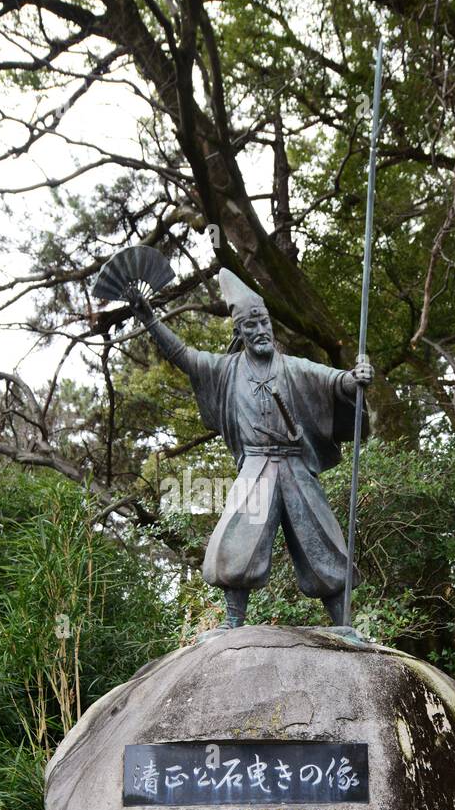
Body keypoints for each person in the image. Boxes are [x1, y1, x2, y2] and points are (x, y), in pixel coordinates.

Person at [135, 267, 373, 627]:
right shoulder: (226, 371)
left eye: (264, 323)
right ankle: (234, 621)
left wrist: (354, 379)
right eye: (250, 326)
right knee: (238, 539)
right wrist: (150, 319)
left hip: (295, 466)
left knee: (324, 542)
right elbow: (183, 355)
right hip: (256, 466)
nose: (260, 331)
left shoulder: (293, 368)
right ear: (239, 332)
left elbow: (332, 379)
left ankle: (342, 624)